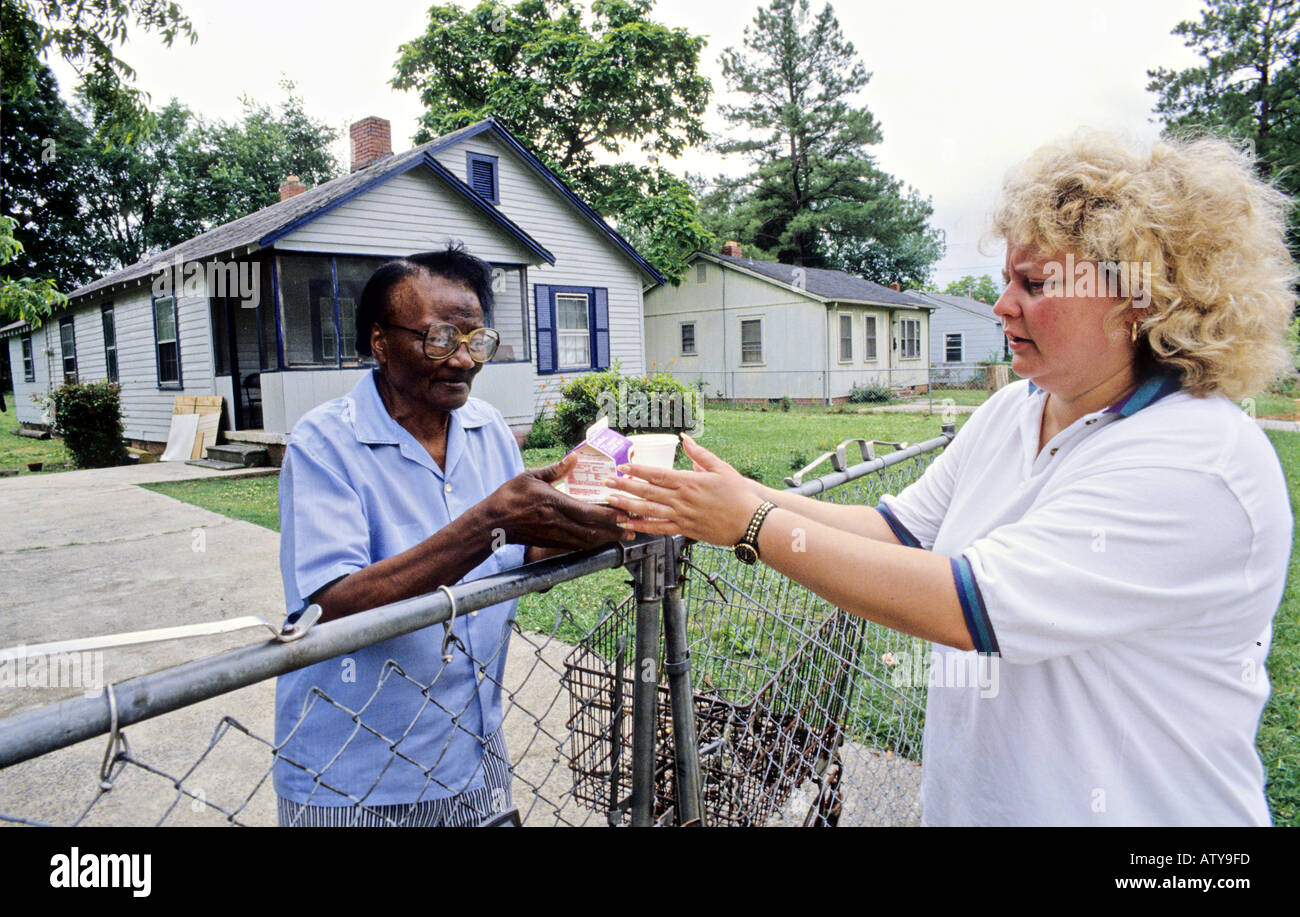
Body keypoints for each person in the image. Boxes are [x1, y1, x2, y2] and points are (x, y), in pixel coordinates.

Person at [606, 131, 1295, 826]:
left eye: (1034, 283)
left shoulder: (1196, 460)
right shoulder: (1016, 408)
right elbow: (897, 531)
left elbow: (970, 605)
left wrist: (750, 526)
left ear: (1139, 299)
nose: (1001, 305)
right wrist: (741, 496)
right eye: (1006, 279)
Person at [273, 246, 629, 826]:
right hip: (357, 777)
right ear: (380, 340)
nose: (463, 360)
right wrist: (489, 520)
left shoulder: (488, 429)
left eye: (477, 340)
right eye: (439, 339)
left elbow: (518, 552)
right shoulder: (324, 444)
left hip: (475, 753)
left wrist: (597, 516)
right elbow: (328, 606)